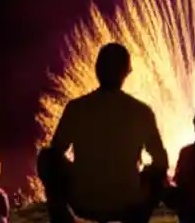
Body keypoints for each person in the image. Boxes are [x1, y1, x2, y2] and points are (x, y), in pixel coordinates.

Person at [39, 43, 168, 223]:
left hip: (83, 199)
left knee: (46, 156)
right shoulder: (141, 111)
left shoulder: (76, 108)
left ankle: (63, 219)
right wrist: (145, 174)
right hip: (128, 200)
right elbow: (161, 160)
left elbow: (56, 152)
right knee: (158, 175)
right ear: (126, 72)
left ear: (97, 69)